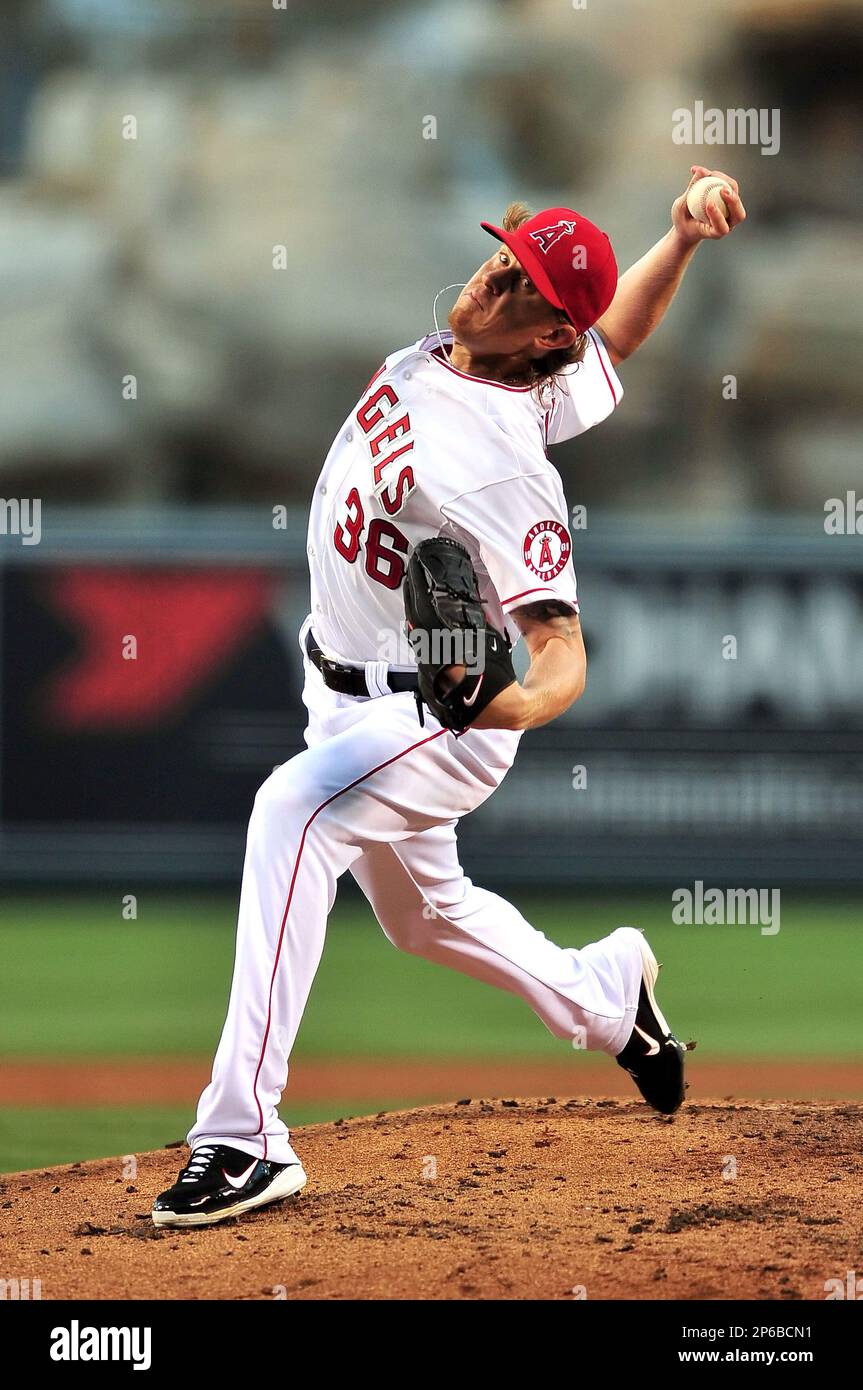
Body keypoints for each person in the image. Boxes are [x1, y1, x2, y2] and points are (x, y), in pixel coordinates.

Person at [153, 167, 746, 1228]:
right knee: (422, 917)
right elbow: (614, 341)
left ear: (540, 339)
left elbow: (558, 648)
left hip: (432, 712)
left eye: (520, 287)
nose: (492, 278)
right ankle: (610, 996)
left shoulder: (504, 459)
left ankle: (242, 1138)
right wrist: (681, 240)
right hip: (340, 691)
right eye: (505, 259)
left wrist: (500, 710)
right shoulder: (499, 352)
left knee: (291, 810)